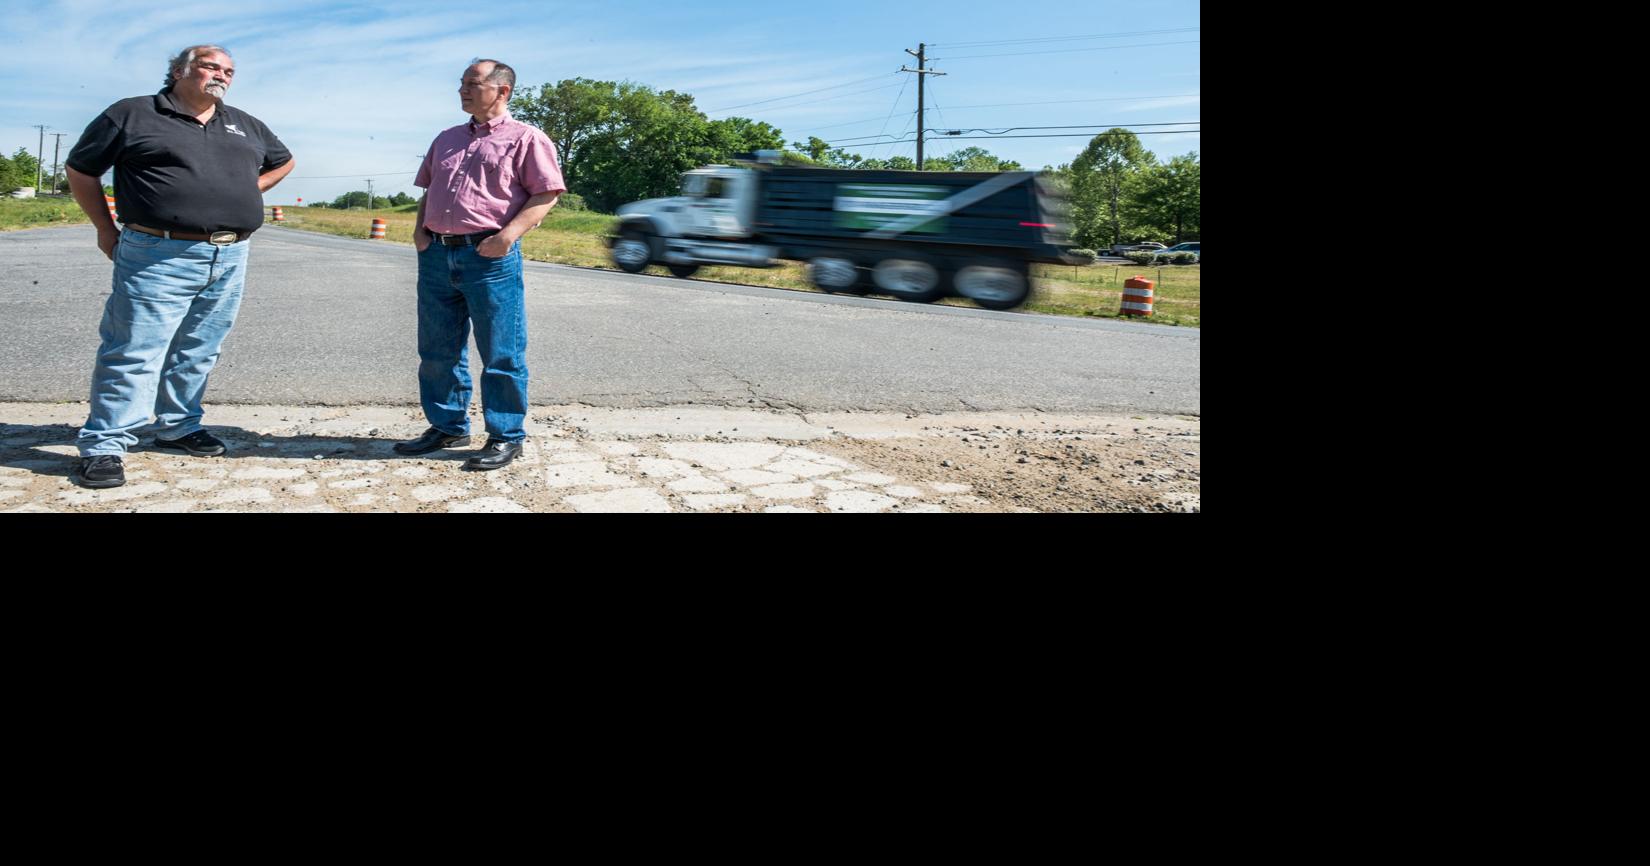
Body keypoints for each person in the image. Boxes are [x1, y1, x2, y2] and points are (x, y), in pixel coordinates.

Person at [63, 44, 294, 489]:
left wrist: (245, 190)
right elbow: (81, 169)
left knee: (199, 348)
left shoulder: (244, 123)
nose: (222, 75)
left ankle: (178, 426)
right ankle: (106, 443)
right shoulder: (132, 114)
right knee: (134, 349)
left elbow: (284, 160)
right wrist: (104, 229)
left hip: (229, 254)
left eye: (229, 70)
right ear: (179, 72)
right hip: (156, 252)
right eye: (211, 66)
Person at [393, 58, 565, 470]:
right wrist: (420, 232)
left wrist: (506, 238)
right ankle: (448, 425)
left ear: (502, 90)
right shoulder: (446, 138)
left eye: (472, 84)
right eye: (462, 83)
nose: (462, 90)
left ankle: (506, 435)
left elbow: (546, 195)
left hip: (489, 257)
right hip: (436, 253)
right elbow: (428, 190)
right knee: (437, 349)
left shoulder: (527, 139)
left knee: (501, 350)